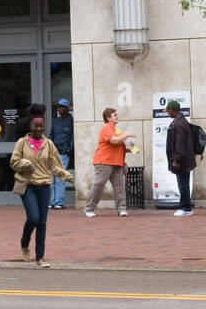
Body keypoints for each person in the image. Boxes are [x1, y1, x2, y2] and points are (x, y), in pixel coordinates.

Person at [10, 112, 74, 266]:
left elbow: (56, 165)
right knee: (33, 218)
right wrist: (24, 163)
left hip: (44, 185)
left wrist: (67, 176)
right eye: (36, 125)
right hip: (28, 185)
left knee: (42, 223)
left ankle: (40, 257)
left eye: (41, 126)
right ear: (30, 126)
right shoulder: (22, 143)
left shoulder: (49, 144)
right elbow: (14, 162)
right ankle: (25, 243)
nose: (39, 129)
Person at [85, 107, 131, 217]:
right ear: (108, 118)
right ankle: (89, 208)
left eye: (116, 114)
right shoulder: (106, 128)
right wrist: (126, 135)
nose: (117, 116)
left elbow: (127, 148)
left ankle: (122, 208)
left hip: (117, 162)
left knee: (119, 186)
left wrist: (128, 149)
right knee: (99, 184)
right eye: (115, 115)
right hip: (104, 162)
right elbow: (114, 141)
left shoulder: (118, 131)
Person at [165, 101, 197, 216]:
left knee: (183, 184)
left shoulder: (178, 124)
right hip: (184, 159)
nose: (168, 113)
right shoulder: (181, 121)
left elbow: (180, 144)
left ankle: (185, 208)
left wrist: (176, 160)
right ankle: (187, 206)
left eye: (168, 111)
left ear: (173, 110)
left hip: (181, 161)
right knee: (183, 183)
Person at [48, 99, 74, 208]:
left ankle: (60, 202)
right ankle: (53, 202)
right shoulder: (55, 121)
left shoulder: (72, 121)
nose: (59, 109)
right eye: (58, 107)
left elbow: (73, 137)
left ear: (67, 108)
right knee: (53, 178)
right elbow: (51, 136)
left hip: (64, 153)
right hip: (54, 153)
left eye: (62, 107)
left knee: (60, 177)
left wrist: (69, 149)